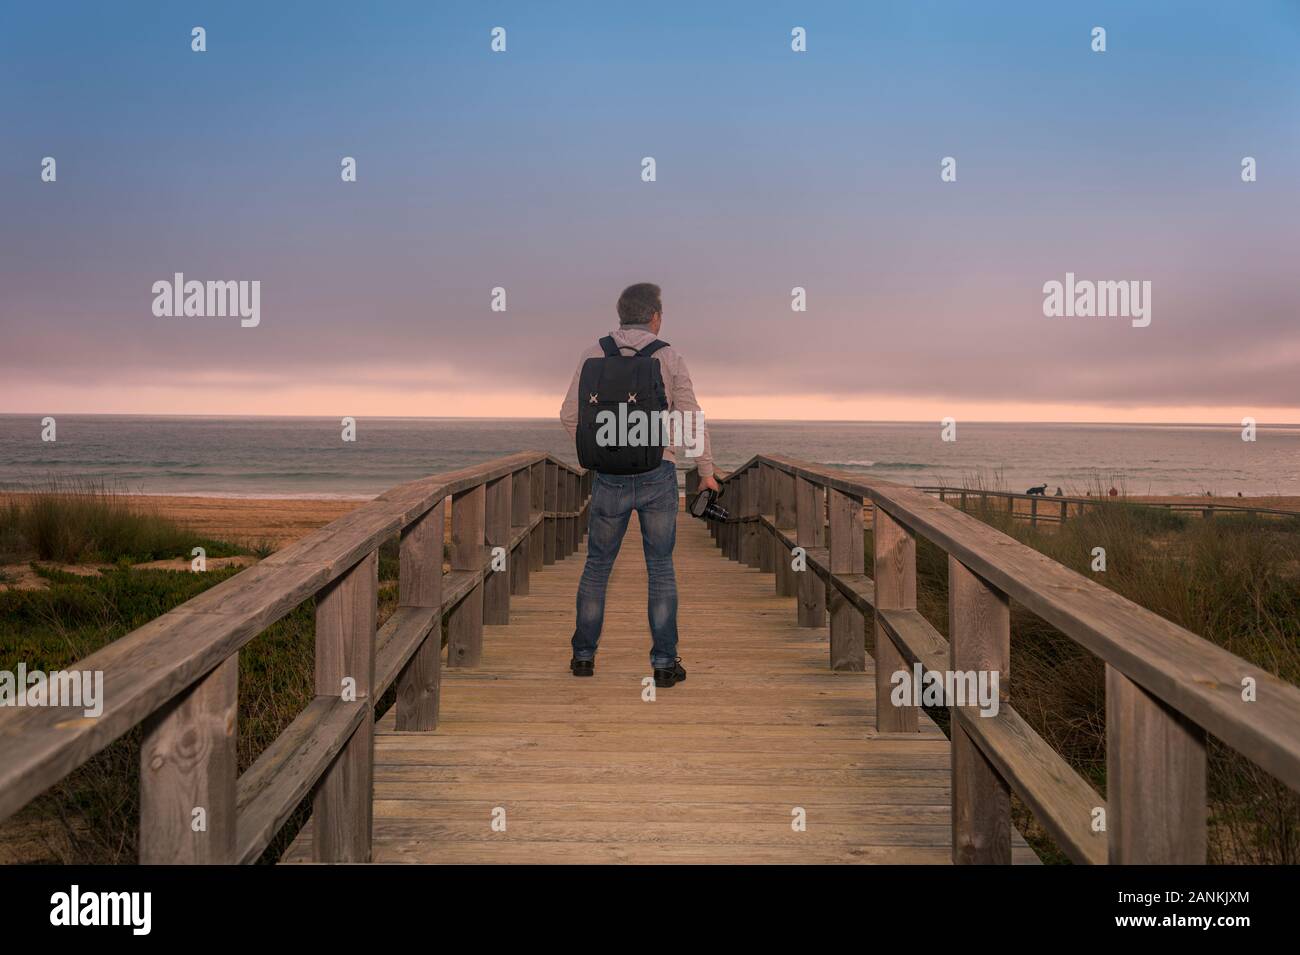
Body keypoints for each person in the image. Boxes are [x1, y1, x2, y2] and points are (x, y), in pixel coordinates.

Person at [560, 283, 716, 687]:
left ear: (621, 314)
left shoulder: (593, 353)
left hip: (609, 478)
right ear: (655, 317)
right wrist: (706, 471)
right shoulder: (669, 356)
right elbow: (690, 418)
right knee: (660, 568)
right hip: (657, 473)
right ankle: (663, 664)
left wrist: (602, 449)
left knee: (597, 567)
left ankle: (583, 658)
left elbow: (568, 416)